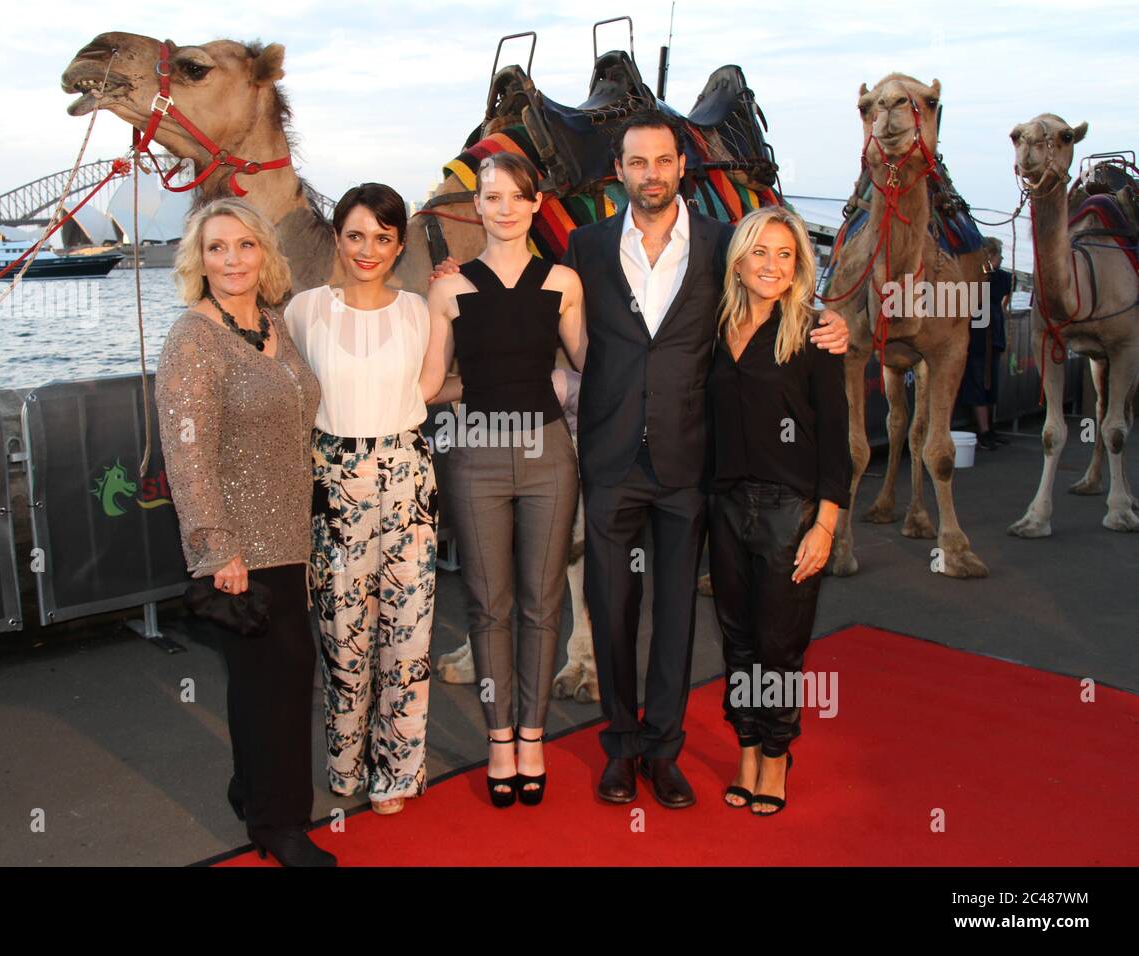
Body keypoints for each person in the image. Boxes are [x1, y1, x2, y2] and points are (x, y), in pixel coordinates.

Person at [560, 111, 849, 809]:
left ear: (680, 167)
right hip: (609, 461)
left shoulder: (724, 245)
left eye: (662, 160)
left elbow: (774, 288)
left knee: (678, 620)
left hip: (691, 467)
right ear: (619, 170)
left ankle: (665, 750)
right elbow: (537, 309)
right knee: (613, 610)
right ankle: (621, 749)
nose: (651, 173)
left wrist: (832, 321)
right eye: (637, 162)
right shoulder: (585, 247)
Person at [155, 197, 334, 866]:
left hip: (290, 534)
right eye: (216, 248)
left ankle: (251, 789)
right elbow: (187, 451)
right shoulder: (192, 340)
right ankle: (280, 825)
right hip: (239, 546)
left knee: (274, 678)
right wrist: (215, 547)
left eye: (244, 246)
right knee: (278, 679)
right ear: (198, 261)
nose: (231, 259)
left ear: (265, 254)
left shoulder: (270, 324)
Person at [425, 152, 586, 808]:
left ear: (537, 203)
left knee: (541, 604)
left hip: (550, 454)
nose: (505, 208)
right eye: (492, 197)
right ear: (478, 207)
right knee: (488, 608)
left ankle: (533, 735)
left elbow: (593, 363)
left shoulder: (565, 283)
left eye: (517, 197)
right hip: (476, 454)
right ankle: (499, 740)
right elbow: (431, 384)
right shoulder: (449, 288)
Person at [283, 183, 445, 816]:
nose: (367, 249)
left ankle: (397, 774)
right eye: (355, 236)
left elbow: (430, 382)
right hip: (333, 480)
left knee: (407, 633)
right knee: (342, 632)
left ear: (399, 243)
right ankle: (346, 765)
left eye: (382, 237)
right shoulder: (304, 310)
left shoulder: (419, 310)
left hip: (407, 475)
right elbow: (286, 391)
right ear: (337, 239)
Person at [705, 206, 851, 816]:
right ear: (738, 260)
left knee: (780, 646)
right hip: (724, 506)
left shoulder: (816, 333)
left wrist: (826, 525)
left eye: (784, 254)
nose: (771, 264)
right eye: (760, 252)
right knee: (737, 642)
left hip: (792, 511)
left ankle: (774, 755)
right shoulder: (713, 328)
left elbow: (838, 439)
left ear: (798, 267)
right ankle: (745, 747)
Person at [960, 237, 1012, 450]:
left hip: (990, 339)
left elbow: (1004, 294)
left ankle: (988, 429)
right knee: (979, 386)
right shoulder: (972, 278)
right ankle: (984, 431)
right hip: (978, 341)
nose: (1001, 259)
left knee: (989, 386)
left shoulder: (998, 278)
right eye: (998, 255)